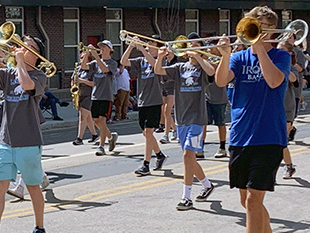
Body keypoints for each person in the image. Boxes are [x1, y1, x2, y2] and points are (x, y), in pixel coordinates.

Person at [212, 5, 290, 233]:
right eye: (253, 28)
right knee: (247, 203)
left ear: (272, 32)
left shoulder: (281, 56)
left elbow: (273, 81)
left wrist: (261, 50)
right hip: (240, 135)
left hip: (269, 136)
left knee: (254, 202)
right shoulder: (239, 57)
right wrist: (224, 56)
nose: (256, 34)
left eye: (262, 29)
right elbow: (221, 81)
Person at [0, 35, 52, 233]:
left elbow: (26, 83)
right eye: (20, 46)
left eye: (27, 47)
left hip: (28, 141)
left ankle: (40, 228)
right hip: (6, 140)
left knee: (32, 187)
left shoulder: (39, 75)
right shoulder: (7, 74)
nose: (20, 48)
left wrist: (20, 61)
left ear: (36, 55)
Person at [157, 46, 217, 210]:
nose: (189, 50)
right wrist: (160, 56)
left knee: (187, 154)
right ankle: (207, 185)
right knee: (190, 158)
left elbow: (212, 72)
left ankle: (186, 197)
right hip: (182, 117)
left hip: (197, 118)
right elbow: (159, 71)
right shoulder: (179, 67)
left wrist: (198, 57)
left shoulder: (203, 66)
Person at [121, 38, 168, 175]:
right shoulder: (141, 60)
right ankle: (159, 155)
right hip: (142, 100)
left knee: (148, 132)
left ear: (158, 46)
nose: (148, 45)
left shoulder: (161, 59)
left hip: (154, 100)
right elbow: (123, 62)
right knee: (146, 134)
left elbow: (155, 65)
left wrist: (141, 48)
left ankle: (146, 164)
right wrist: (130, 46)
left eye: (151, 43)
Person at [83, 40, 120, 156]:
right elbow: (83, 67)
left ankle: (101, 146)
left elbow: (105, 69)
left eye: (104, 46)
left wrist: (95, 55)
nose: (101, 48)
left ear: (110, 49)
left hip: (106, 96)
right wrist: (87, 54)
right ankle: (110, 136)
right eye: (100, 47)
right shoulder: (94, 63)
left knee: (102, 121)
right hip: (95, 95)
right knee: (95, 121)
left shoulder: (113, 63)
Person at [279, 41, 301, 180]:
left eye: (282, 51)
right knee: (275, 142)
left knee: (280, 141)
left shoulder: (291, 68)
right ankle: (289, 166)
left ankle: (287, 166)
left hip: (287, 108)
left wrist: (283, 66)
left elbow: (294, 80)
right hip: (273, 108)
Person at [71, 58, 99, 145]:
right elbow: (73, 80)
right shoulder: (78, 69)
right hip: (80, 95)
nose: (81, 59)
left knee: (82, 116)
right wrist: (73, 86)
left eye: (84, 58)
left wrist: (82, 81)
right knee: (88, 117)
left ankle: (79, 138)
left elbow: (94, 83)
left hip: (89, 95)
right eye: (81, 58)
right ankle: (95, 135)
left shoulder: (92, 70)